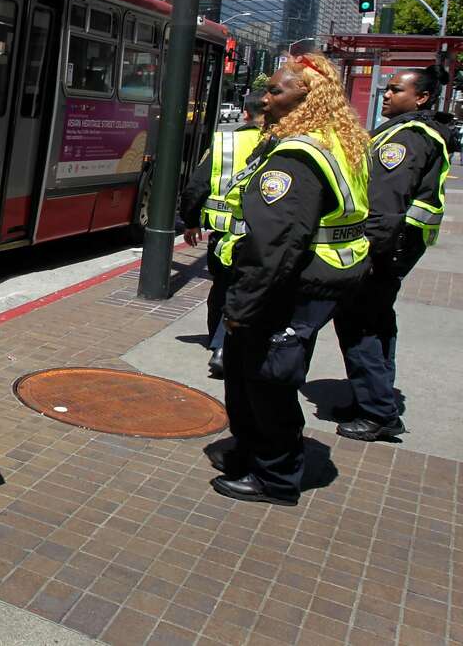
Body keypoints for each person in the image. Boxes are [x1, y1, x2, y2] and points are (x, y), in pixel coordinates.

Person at [210, 54, 371, 506]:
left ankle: (276, 478)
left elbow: (274, 247)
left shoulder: (298, 155)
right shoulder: (337, 140)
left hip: (291, 287)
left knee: (267, 380)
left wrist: (240, 309)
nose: (266, 97)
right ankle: (254, 453)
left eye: (276, 90)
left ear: (306, 95)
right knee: (256, 374)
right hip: (318, 280)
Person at [332, 66, 453, 441]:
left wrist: (366, 256)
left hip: (384, 249)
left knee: (360, 324)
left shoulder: (409, 139)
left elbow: (386, 205)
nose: (386, 94)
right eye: (387, 88)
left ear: (422, 98)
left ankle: (377, 413)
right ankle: (372, 399)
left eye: (396, 89)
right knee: (378, 322)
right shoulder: (412, 131)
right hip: (396, 247)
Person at [180, 90, 266, 378]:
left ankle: (218, 345)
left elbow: (197, 186)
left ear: (245, 114)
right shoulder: (287, 144)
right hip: (266, 239)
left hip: (225, 236)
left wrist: (190, 222)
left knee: (223, 288)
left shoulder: (226, 142)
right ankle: (224, 345)